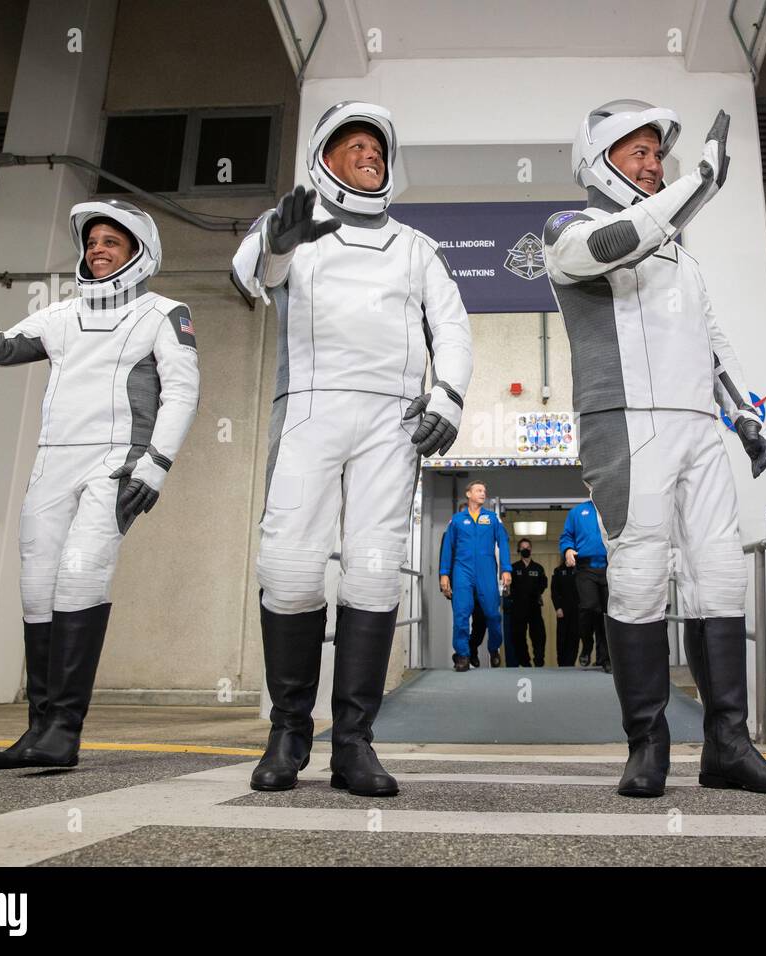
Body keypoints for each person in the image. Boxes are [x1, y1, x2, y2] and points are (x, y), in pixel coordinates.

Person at [544, 100, 766, 799]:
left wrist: (745, 415)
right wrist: (700, 182)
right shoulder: (570, 229)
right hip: (627, 424)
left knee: (719, 576)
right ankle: (647, 744)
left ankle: (728, 745)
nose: (654, 164)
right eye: (639, 153)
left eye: (659, 155)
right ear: (599, 161)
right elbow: (615, 243)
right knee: (637, 575)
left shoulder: (682, 260)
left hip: (698, 427)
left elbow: (712, 343)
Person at [232, 101, 472, 796]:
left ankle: (354, 743)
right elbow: (248, 278)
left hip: (391, 423)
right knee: (289, 568)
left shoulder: (416, 247)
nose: (370, 154)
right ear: (325, 159)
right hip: (310, 410)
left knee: (372, 573)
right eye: (354, 144)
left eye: (377, 147)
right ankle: (287, 733)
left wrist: (448, 396)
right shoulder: (291, 225)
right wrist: (279, 243)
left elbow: (452, 328)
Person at [0, 202, 199, 770]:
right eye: (92, 242)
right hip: (52, 464)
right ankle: (39, 730)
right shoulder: (59, 315)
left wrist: (156, 464)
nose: (98, 250)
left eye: (111, 243)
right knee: (36, 588)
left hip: (116, 464)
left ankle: (65, 731)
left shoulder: (163, 313)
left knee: (79, 579)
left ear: (139, 253)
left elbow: (182, 393)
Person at [439, 480, 511, 671]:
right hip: (462, 571)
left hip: (486, 572)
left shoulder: (492, 518)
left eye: (484, 491)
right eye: (478, 490)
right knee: (461, 615)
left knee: (493, 615)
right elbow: (447, 548)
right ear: (468, 494)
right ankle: (463, 655)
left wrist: (506, 569)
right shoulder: (456, 520)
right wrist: (444, 574)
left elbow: (503, 542)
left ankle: (494, 648)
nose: (483, 493)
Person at [558, 500, 609, 671]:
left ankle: (606, 658)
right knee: (589, 606)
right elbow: (566, 536)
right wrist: (567, 550)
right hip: (585, 567)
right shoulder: (577, 512)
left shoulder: (612, 508)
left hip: (609, 567)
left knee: (607, 614)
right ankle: (587, 644)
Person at [509, 538, 549, 666]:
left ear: (531, 549)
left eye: (528, 547)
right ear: (519, 550)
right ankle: (525, 663)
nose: (525, 549)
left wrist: (536, 593)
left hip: (534, 607)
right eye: (522, 547)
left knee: (539, 636)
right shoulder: (513, 568)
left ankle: (539, 662)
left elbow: (543, 584)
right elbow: (509, 587)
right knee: (518, 636)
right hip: (518, 607)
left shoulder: (538, 568)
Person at [551, 559, 581, 666]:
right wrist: (557, 607)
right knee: (562, 637)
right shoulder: (558, 571)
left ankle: (571, 663)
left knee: (574, 636)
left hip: (577, 609)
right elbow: (554, 591)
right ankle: (562, 664)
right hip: (563, 610)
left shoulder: (580, 570)